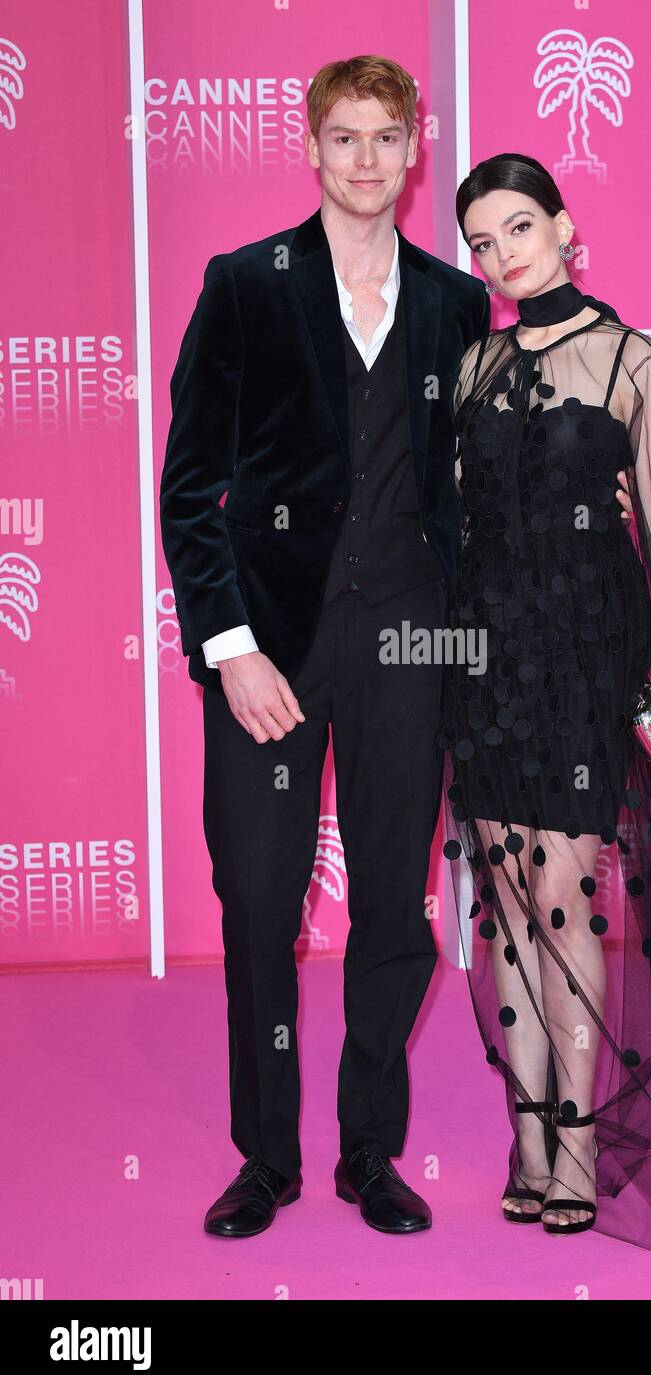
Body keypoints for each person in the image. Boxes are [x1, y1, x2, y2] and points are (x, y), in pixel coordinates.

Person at [159, 56, 495, 1238]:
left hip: (408, 639)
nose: (364, 159)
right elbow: (189, 488)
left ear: (414, 150)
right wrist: (231, 647)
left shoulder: (455, 302)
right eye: (343, 137)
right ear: (310, 147)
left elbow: (469, 486)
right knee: (258, 902)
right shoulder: (245, 284)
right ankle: (266, 1158)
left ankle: (367, 1152)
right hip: (271, 648)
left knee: (393, 909)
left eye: (384, 137)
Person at [438, 154, 651, 1250]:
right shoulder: (472, 368)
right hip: (486, 657)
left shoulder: (629, 360)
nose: (501, 254)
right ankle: (526, 1142)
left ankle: (575, 1146)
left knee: (564, 900)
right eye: (481, 241)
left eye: (519, 227)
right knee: (508, 904)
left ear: (563, 227)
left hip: (583, 653)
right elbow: (454, 522)